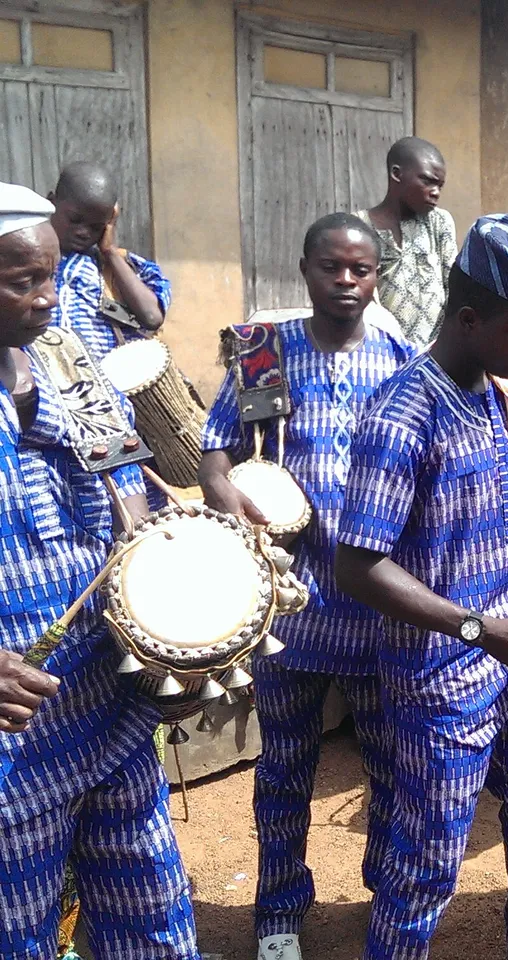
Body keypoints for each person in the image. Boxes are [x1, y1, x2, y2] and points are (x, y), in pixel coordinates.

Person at [333, 214, 508, 960]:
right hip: (440, 679)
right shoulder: (402, 416)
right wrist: (478, 628)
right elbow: (357, 566)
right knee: (429, 860)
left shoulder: (502, 392)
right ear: (466, 319)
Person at [199, 212, 418, 960]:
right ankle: (279, 914)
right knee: (284, 769)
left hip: (378, 612)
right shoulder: (265, 355)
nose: (347, 281)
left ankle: (387, 892)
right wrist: (229, 496)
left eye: (362, 270)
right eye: (332, 267)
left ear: (377, 278)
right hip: (289, 614)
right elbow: (216, 453)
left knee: (388, 767)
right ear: (305, 270)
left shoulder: (400, 358)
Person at [0, 183, 197, 959]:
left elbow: (127, 495)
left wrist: (171, 627)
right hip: (13, 761)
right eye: (23, 282)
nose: (49, 297)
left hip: (111, 716)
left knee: (153, 924)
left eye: (50, 275)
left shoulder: (68, 364)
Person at [47, 161, 171, 362]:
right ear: (51, 202)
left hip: (102, 377)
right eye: (75, 219)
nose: (83, 232)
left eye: (96, 227)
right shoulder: (27, 260)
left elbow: (152, 317)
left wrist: (110, 252)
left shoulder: (119, 267)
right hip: (42, 374)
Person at [358, 137, 456, 348]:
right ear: (396, 174)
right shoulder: (359, 227)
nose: (436, 192)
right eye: (427, 181)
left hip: (433, 350)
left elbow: (453, 285)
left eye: (440, 186)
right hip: (382, 346)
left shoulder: (439, 222)